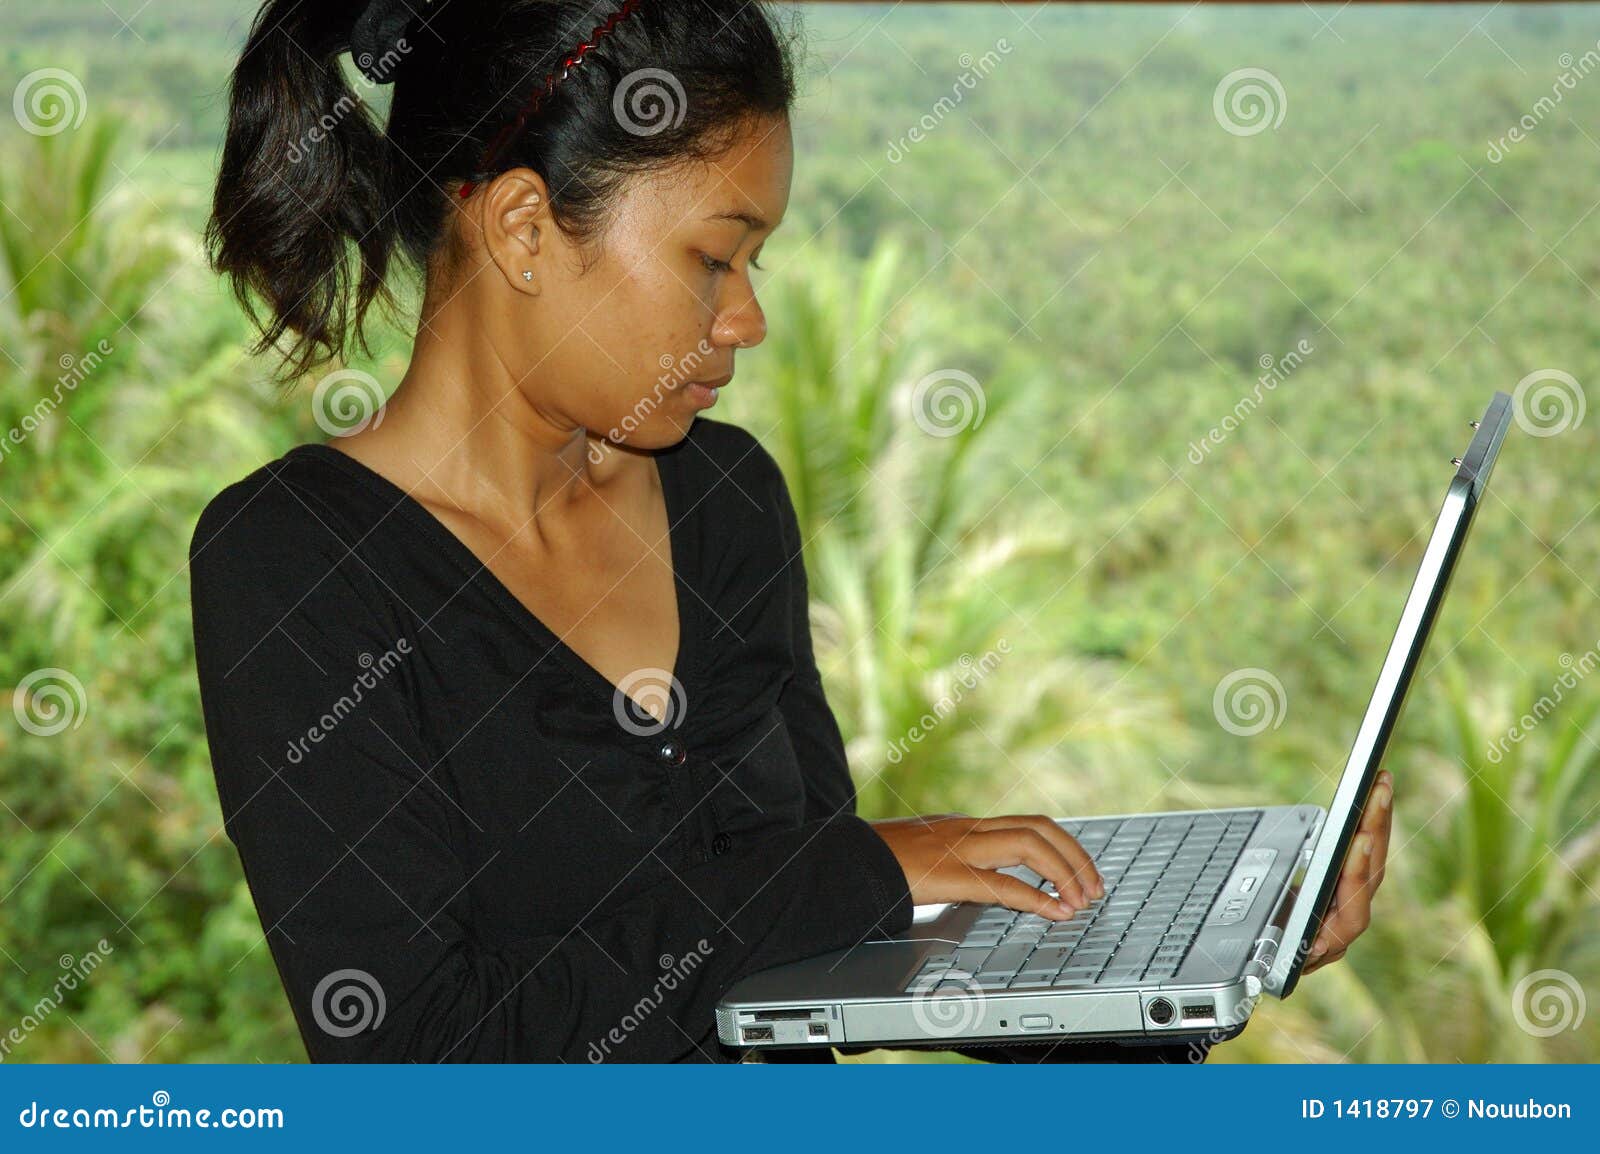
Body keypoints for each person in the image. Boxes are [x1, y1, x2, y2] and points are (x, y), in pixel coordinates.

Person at [192, 0, 1391, 1064]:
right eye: (713, 257)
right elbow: (426, 1056)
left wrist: (1190, 975)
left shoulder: (725, 498)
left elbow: (834, 965)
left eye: (753, 261)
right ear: (519, 227)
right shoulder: (295, 566)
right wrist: (853, 870)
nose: (747, 319)